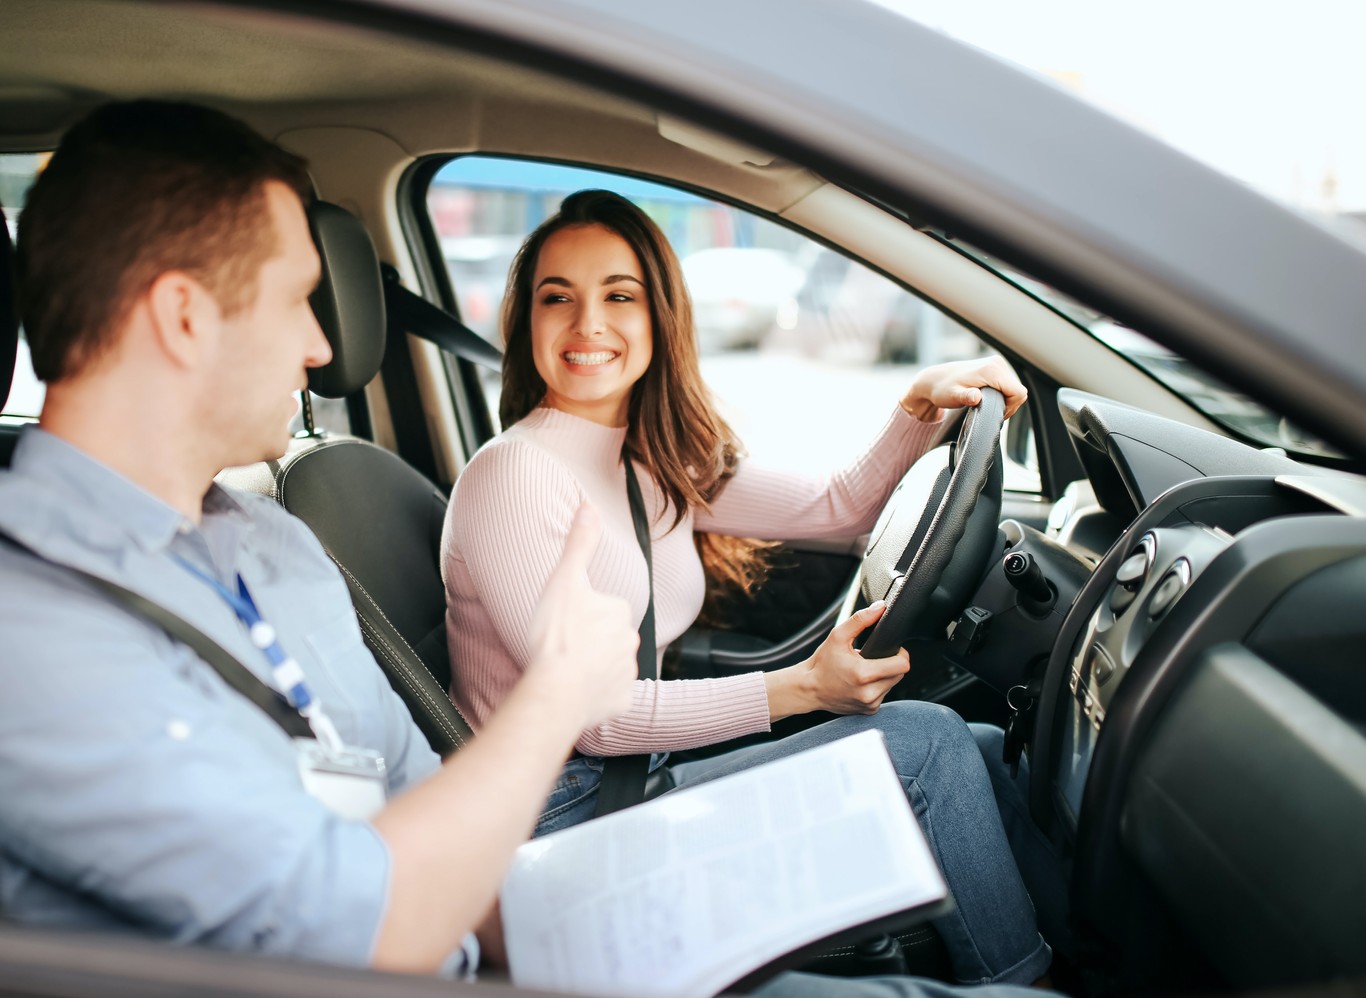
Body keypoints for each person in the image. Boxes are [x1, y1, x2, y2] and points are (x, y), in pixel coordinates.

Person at [0, 100, 1052, 998]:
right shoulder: (33, 636)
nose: (323, 347)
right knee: (920, 755)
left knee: (952, 757)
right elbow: (356, 932)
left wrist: (632, 904)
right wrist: (584, 699)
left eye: (619, 295)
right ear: (184, 318)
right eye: (293, 300)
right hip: (476, 903)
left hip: (502, 911)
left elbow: (425, 806)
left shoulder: (268, 541)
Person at [441, 190, 1051, 986]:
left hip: (625, 770)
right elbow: (593, 721)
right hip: (556, 816)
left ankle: (1090, 960)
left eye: (618, 296)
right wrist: (800, 689)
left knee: (980, 747)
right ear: (527, 323)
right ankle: (1028, 983)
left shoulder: (647, 455)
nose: (588, 323)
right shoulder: (515, 474)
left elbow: (838, 508)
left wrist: (916, 404)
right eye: (558, 298)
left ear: (659, 315)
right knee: (930, 744)